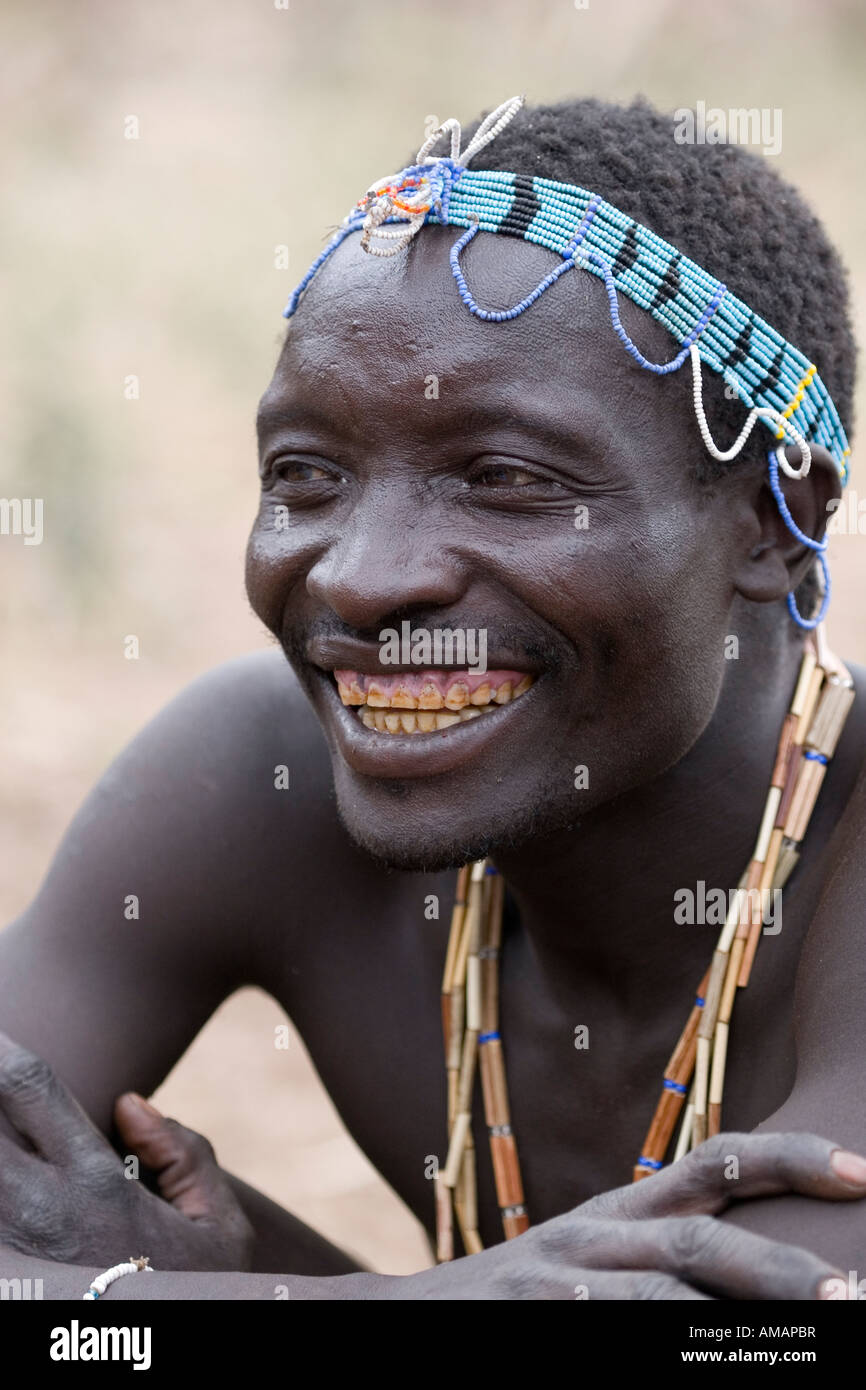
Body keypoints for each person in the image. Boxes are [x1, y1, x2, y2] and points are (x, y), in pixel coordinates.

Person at [1, 95, 865, 1301]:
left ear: (780, 519)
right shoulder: (259, 771)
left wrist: (174, 1297)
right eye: (305, 475)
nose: (360, 576)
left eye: (504, 479)